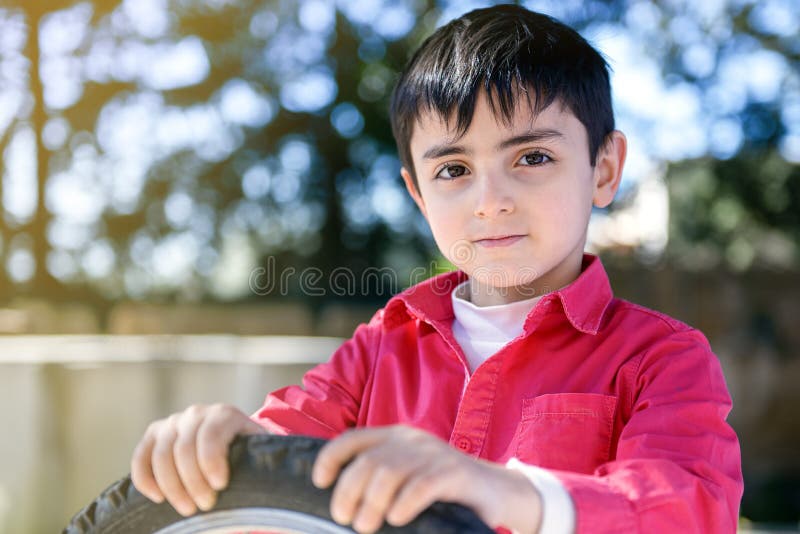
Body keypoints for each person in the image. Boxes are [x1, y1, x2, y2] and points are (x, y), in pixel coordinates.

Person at [130, 5, 743, 533]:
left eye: (532, 156)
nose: (490, 200)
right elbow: (283, 449)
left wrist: (507, 491)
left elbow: (688, 507)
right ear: (419, 195)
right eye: (452, 170)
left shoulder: (664, 359)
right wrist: (221, 442)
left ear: (604, 170)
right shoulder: (379, 347)